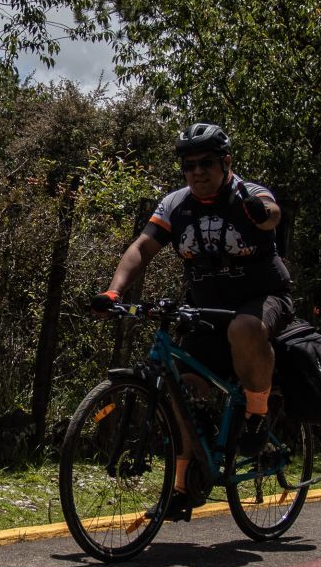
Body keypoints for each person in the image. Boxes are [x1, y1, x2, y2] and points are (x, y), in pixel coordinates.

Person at [93, 122, 293, 501]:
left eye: (206, 163)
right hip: (206, 308)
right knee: (180, 389)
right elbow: (142, 248)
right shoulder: (175, 204)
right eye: (189, 165)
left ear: (226, 162)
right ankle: (184, 484)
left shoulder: (247, 194)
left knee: (244, 327)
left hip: (263, 298)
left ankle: (256, 414)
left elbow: (271, 214)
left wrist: (261, 212)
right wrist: (114, 292)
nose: (197, 172)